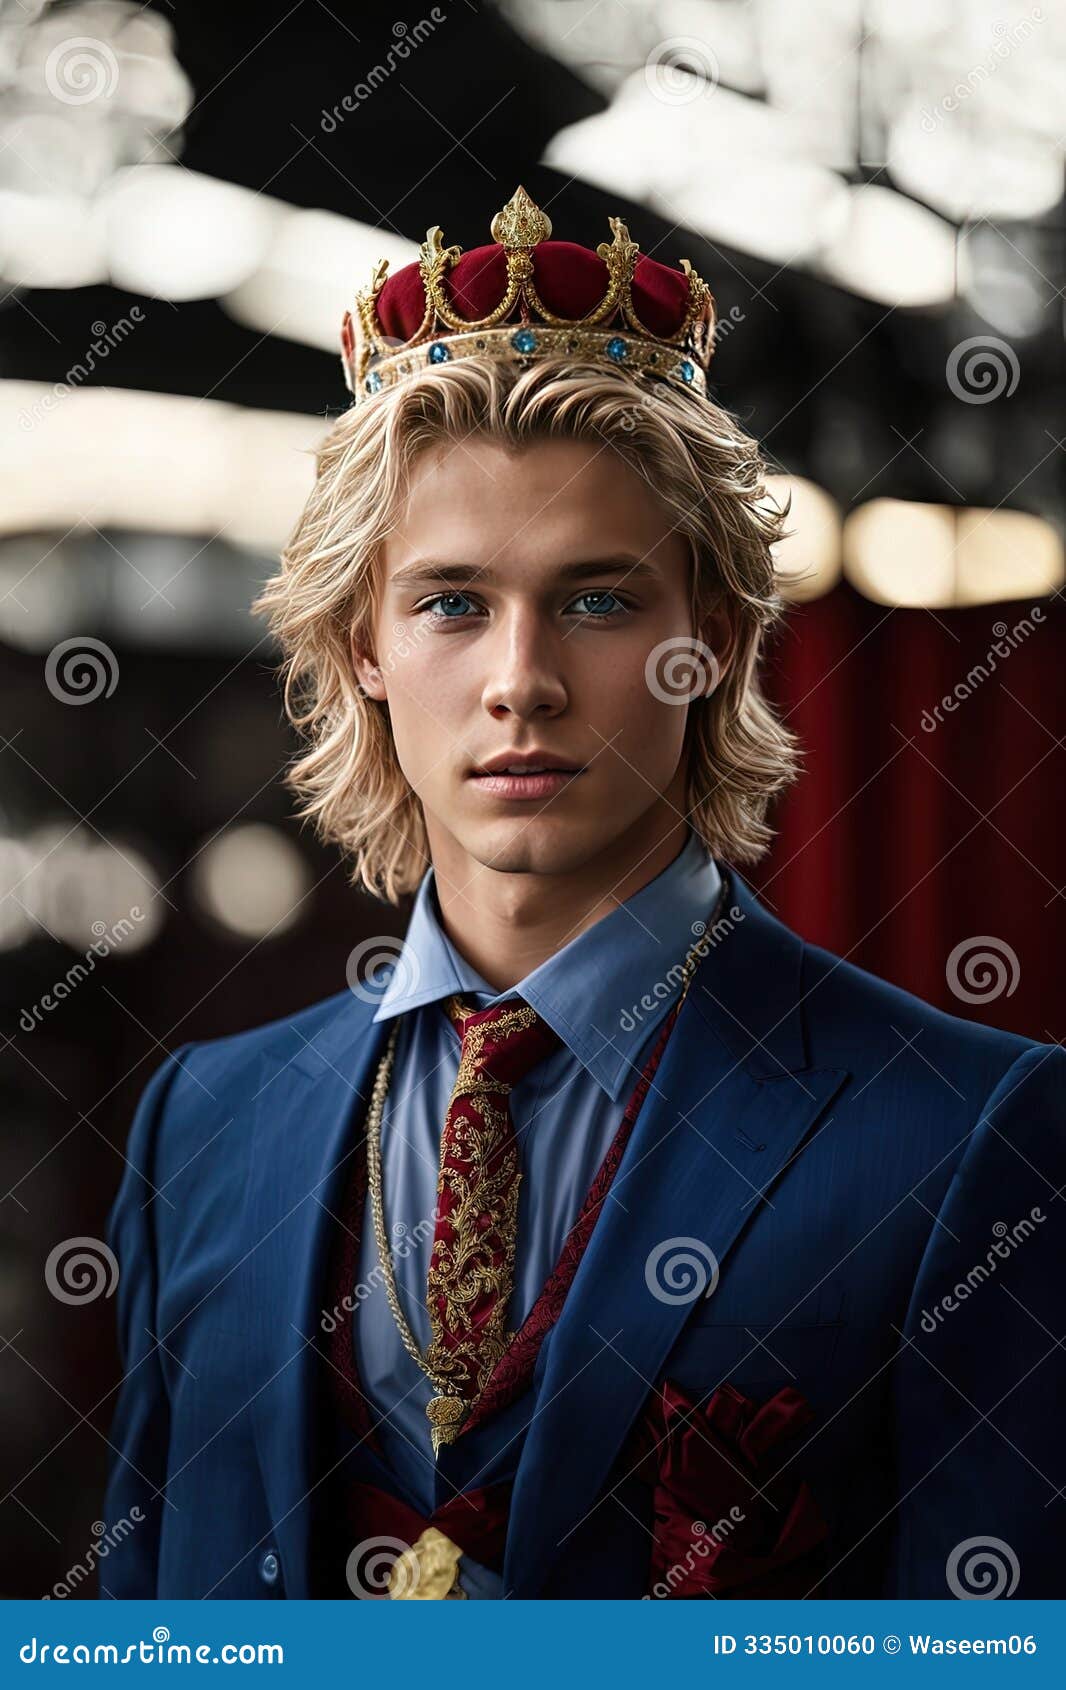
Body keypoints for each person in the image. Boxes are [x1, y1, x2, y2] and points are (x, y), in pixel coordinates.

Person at [101, 188, 1064, 1602]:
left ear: (716, 642)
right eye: (449, 602)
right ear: (360, 642)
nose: (520, 679)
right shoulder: (201, 1125)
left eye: (599, 600)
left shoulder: (971, 1131)